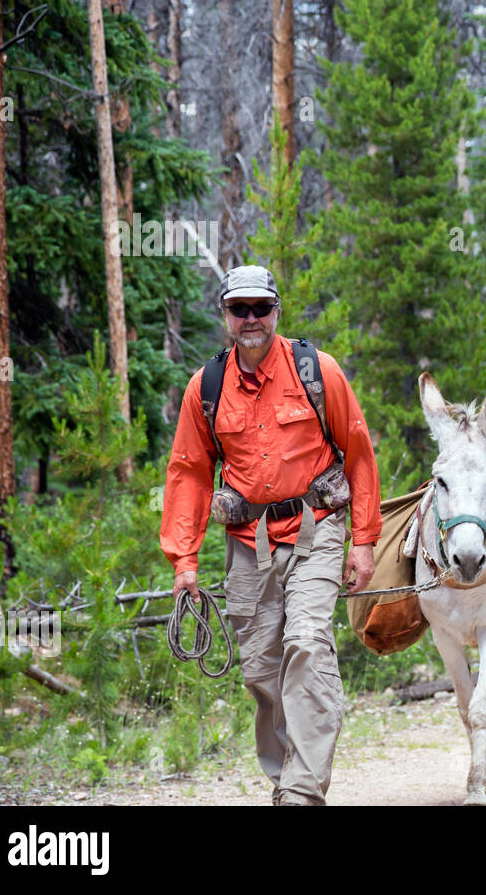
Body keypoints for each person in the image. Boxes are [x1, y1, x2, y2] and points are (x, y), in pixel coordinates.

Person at [160, 265, 381, 805]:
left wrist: (365, 539)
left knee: (306, 643)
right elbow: (188, 471)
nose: (251, 318)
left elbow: (357, 451)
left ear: (277, 310)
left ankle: (304, 791)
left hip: (316, 531)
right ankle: (283, 781)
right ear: (227, 316)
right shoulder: (206, 387)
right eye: (240, 309)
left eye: (261, 307)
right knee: (260, 668)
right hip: (246, 544)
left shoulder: (316, 370)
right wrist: (183, 561)